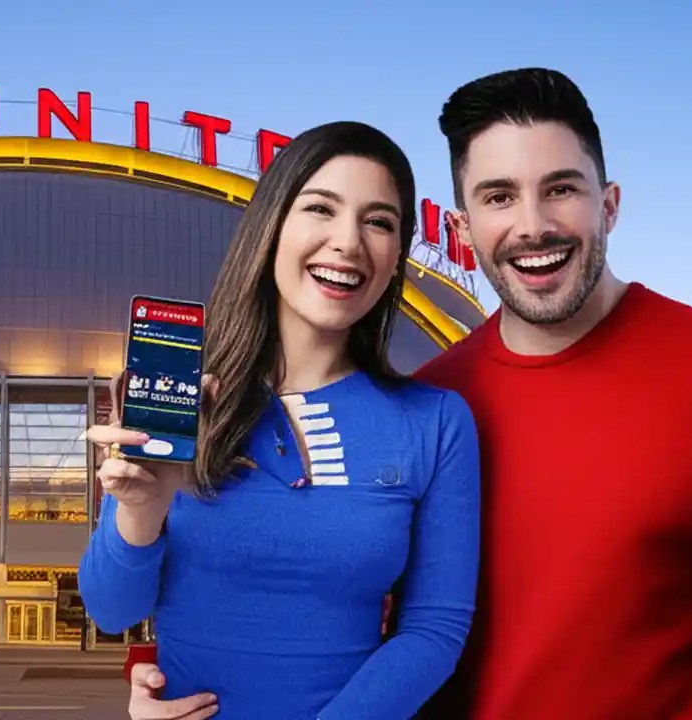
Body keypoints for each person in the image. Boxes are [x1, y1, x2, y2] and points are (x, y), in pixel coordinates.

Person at [123, 67, 692, 719]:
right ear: (462, 227)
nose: (533, 225)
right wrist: (167, 673)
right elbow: (355, 622)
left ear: (610, 203)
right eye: (499, 197)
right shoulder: (430, 404)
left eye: (560, 189)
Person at [78, 121, 481, 719]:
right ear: (272, 227)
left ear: (398, 255)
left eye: (379, 221)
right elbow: (111, 610)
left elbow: (435, 631)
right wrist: (142, 511)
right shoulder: (186, 397)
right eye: (321, 208)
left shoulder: (435, 422)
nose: (348, 242)